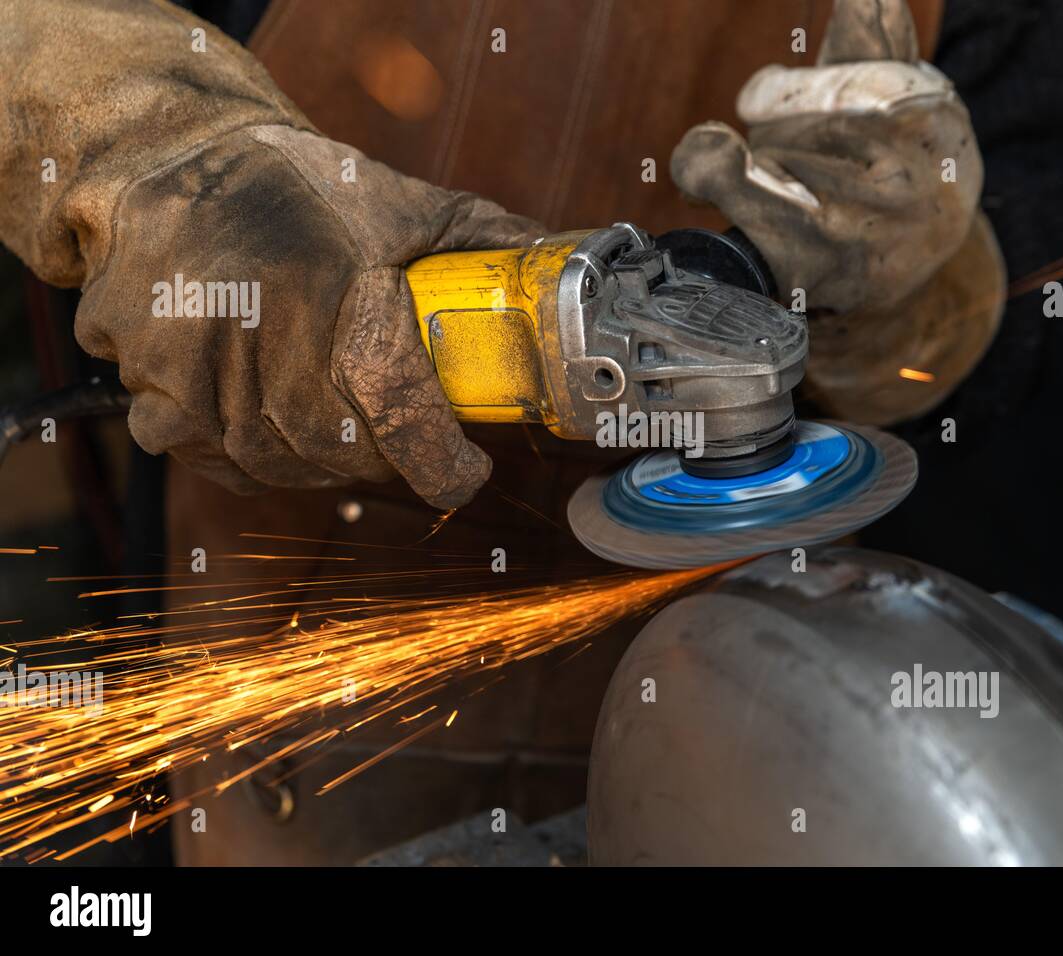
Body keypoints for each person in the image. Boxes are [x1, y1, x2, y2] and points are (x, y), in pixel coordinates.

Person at [0, 0, 1006, 864]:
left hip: (727, 729)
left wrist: (897, 281)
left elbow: (1057, 203)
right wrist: (157, 151)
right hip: (302, 700)